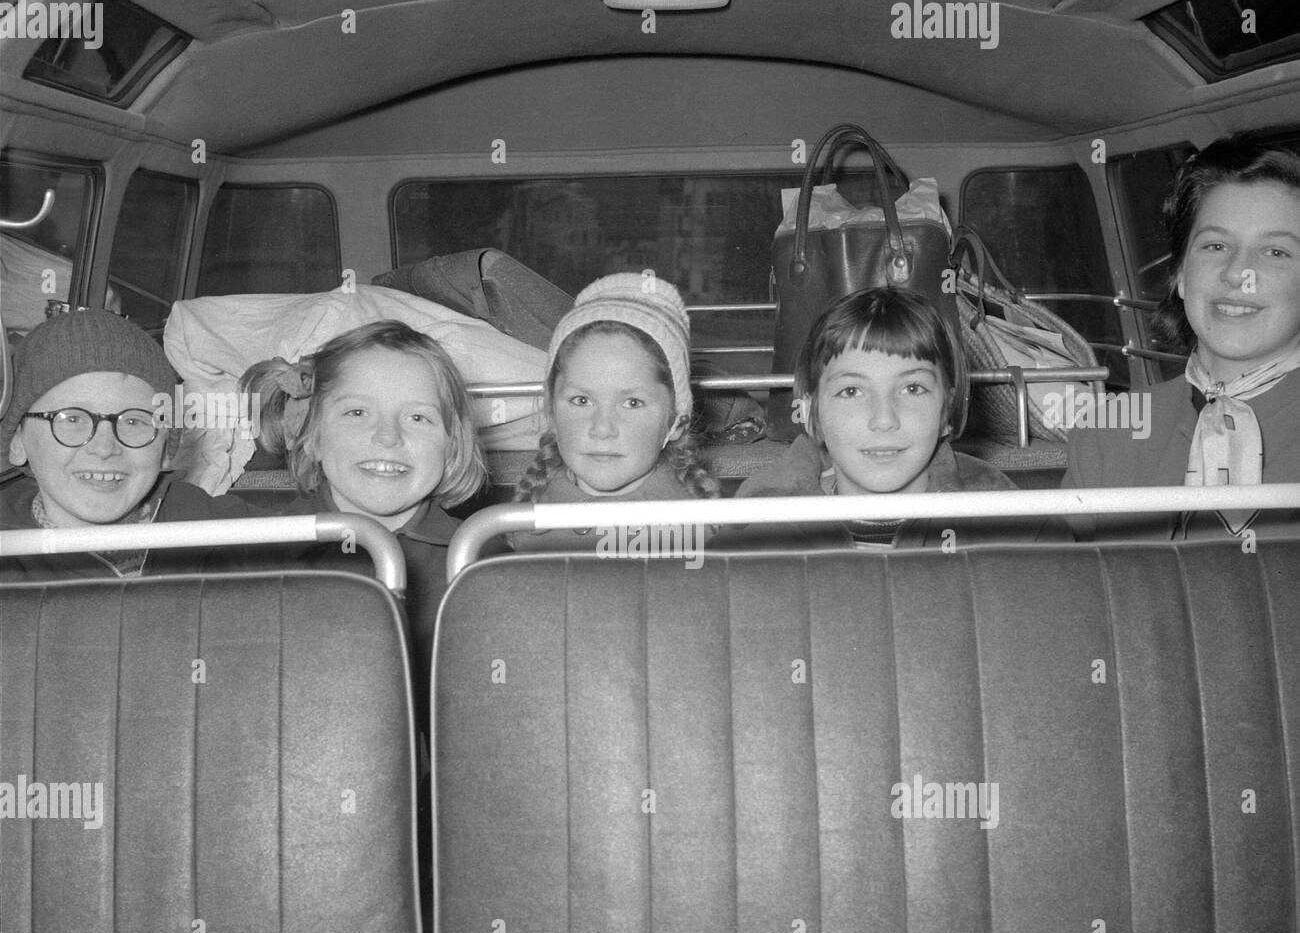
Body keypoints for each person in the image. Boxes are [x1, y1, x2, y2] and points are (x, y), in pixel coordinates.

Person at [1062, 135, 1300, 538]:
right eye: (1216, 245)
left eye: (1275, 252)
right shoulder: (1108, 430)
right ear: (1181, 275)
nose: (1237, 273)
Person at [241, 319, 486, 685]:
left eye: (418, 417)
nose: (388, 437)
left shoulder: (481, 563)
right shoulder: (258, 555)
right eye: (357, 413)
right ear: (312, 437)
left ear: (452, 447)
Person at [731, 286, 1043, 548]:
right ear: (813, 413)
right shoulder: (755, 537)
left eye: (912, 388)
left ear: (947, 410)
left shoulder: (1012, 531)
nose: (883, 420)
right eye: (852, 391)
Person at [0, 309, 254, 579]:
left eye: (134, 422)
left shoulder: (205, 524)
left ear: (166, 449)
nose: (105, 447)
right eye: (72, 418)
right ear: (17, 441)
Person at [510, 272, 720, 553]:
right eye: (581, 400)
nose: (602, 428)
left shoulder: (697, 536)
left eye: (632, 403)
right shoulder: (518, 528)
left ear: (676, 421)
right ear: (551, 411)